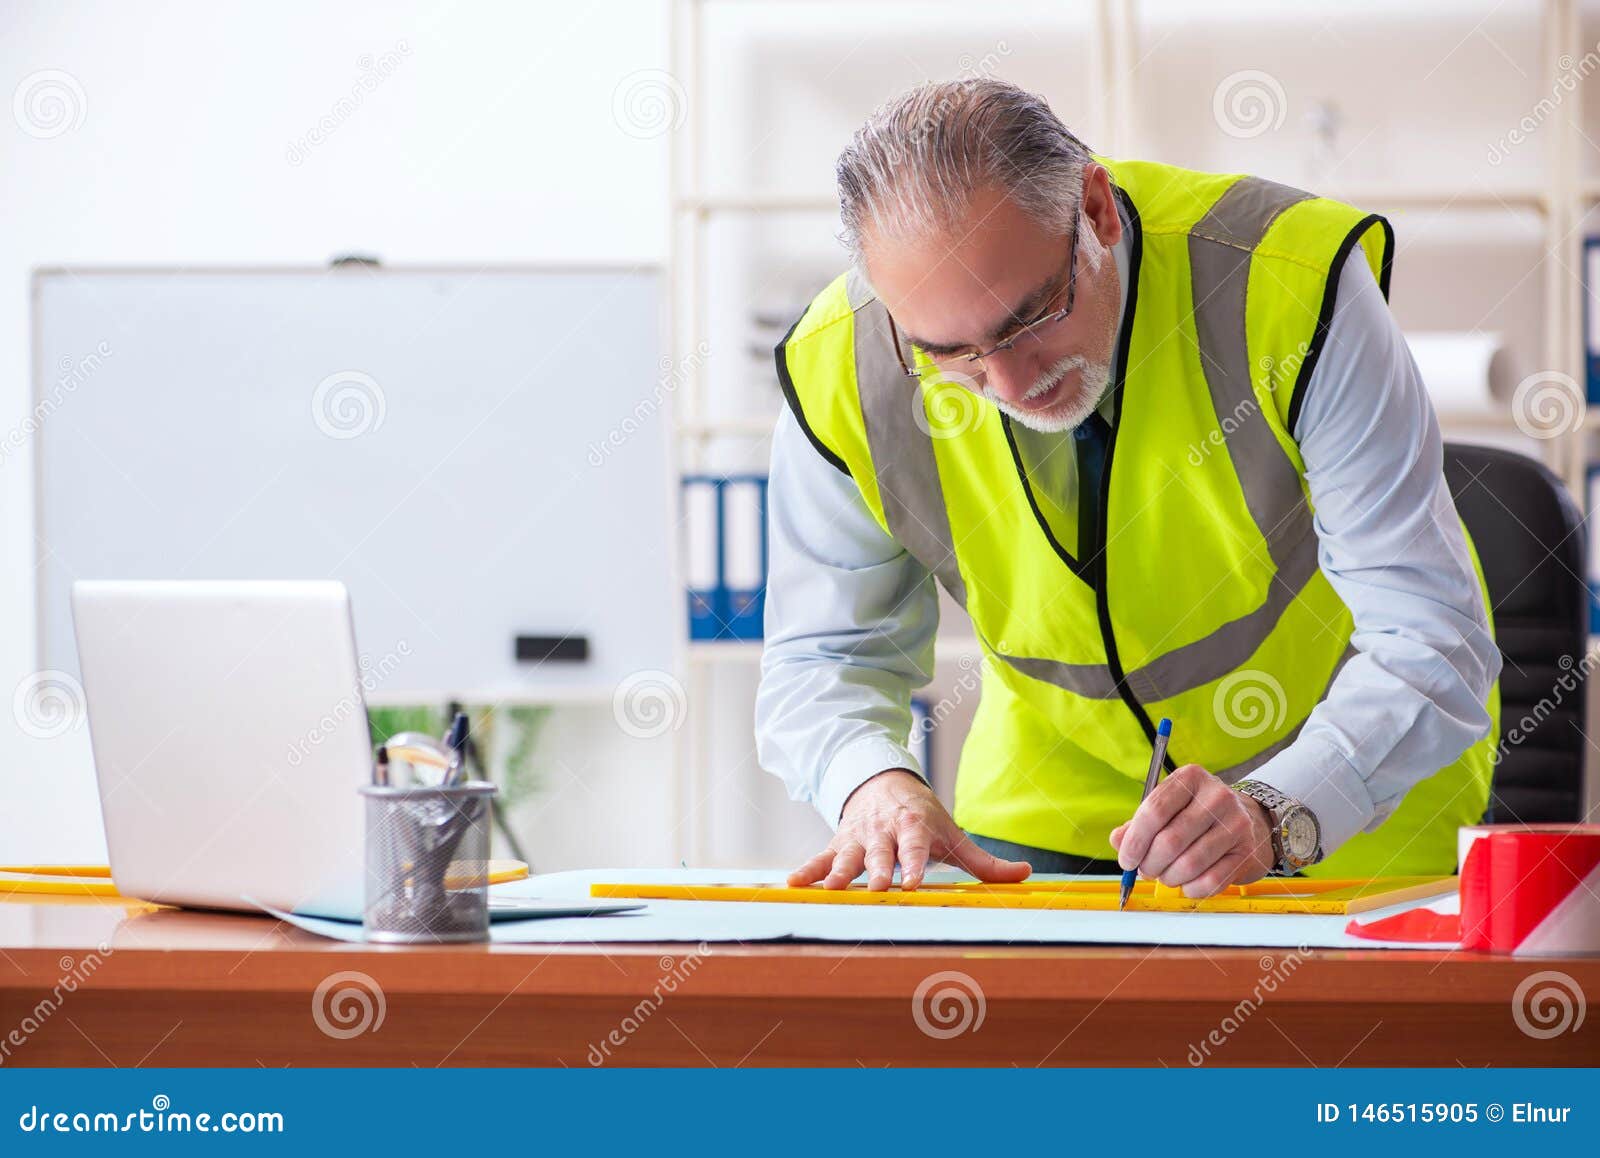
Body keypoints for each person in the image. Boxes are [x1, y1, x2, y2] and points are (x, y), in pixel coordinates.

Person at [755, 78, 1500, 897]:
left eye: (1032, 317)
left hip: (1346, 796)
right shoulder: (844, 366)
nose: (1007, 381)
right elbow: (823, 655)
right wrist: (871, 783)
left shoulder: (1288, 281)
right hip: (1048, 809)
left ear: (1097, 212)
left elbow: (1429, 634)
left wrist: (1280, 810)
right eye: (951, 353)